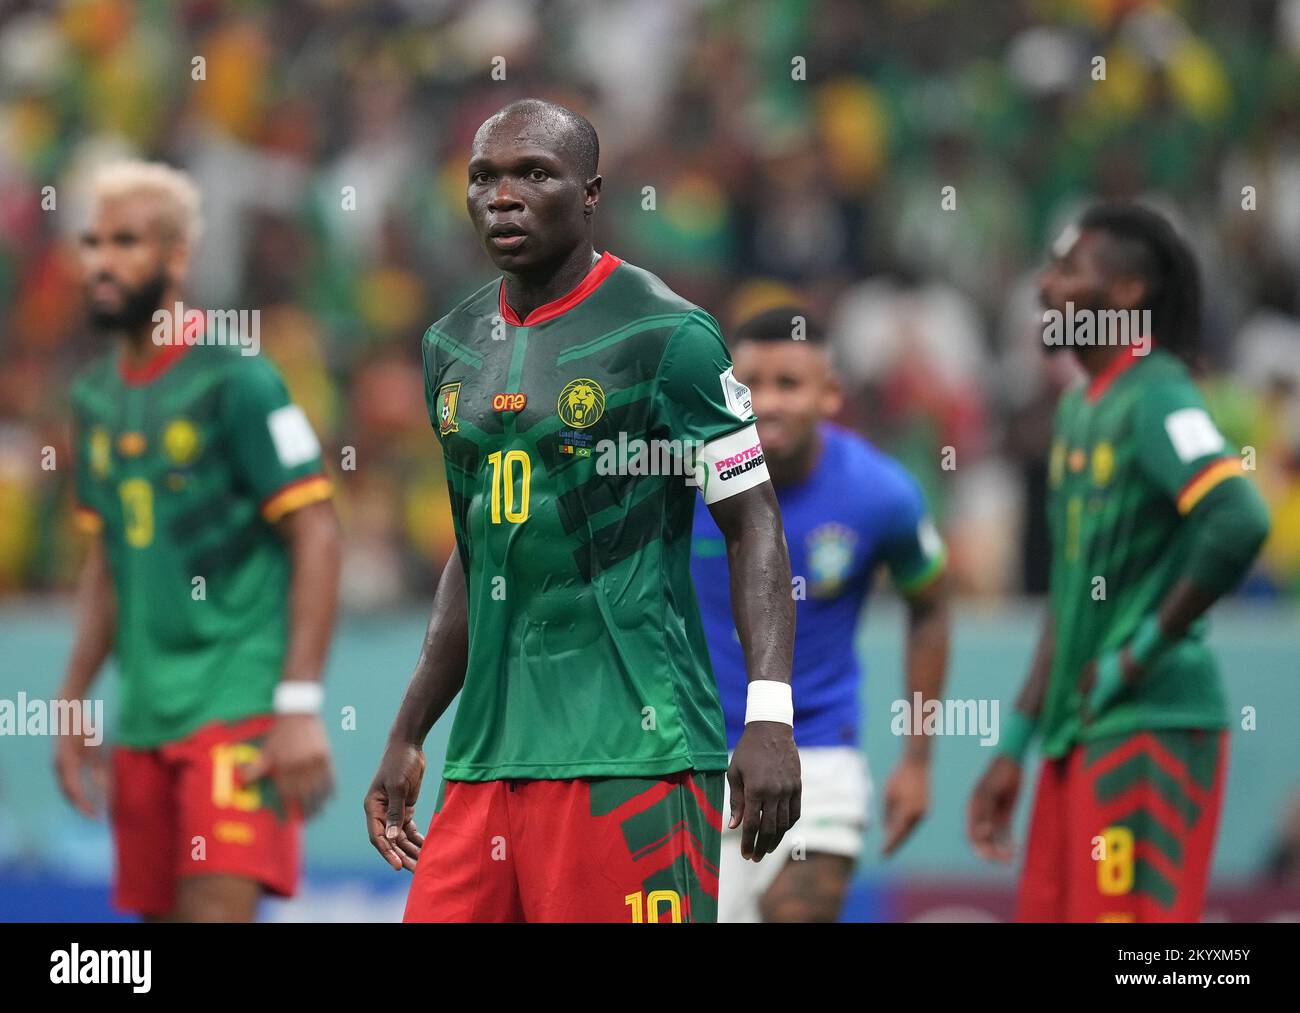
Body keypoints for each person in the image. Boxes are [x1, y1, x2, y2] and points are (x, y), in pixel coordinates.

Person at [364, 99, 800, 923]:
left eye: (534, 173)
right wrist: (410, 728)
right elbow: (476, 547)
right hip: (490, 760)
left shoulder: (669, 335)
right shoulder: (449, 347)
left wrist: (769, 714)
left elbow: (754, 521)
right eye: (485, 177)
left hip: (636, 753)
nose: (504, 195)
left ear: (592, 191)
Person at [967, 203, 1271, 922]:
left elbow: (1237, 516)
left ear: (1130, 292)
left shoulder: (1158, 392)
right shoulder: (1077, 411)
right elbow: (1071, 595)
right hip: (1079, 731)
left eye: (1068, 270)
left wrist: (1138, 654)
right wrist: (1015, 741)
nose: (1045, 287)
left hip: (1149, 721)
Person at [56, 161, 340, 922]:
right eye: (91, 243)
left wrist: (299, 702)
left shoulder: (237, 376)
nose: (102, 262)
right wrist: (73, 695)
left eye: (126, 242)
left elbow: (315, 527)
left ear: (178, 257)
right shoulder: (92, 398)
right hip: (145, 714)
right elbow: (107, 560)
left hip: (238, 703)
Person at [692, 307, 949, 922]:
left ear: (830, 394)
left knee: (799, 911)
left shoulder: (881, 492)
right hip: (692, 756)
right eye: (749, 383)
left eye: (789, 383)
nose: (768, 402)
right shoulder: (682, 479)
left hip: (818, 752)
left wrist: (916, 762)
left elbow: (931, 609)